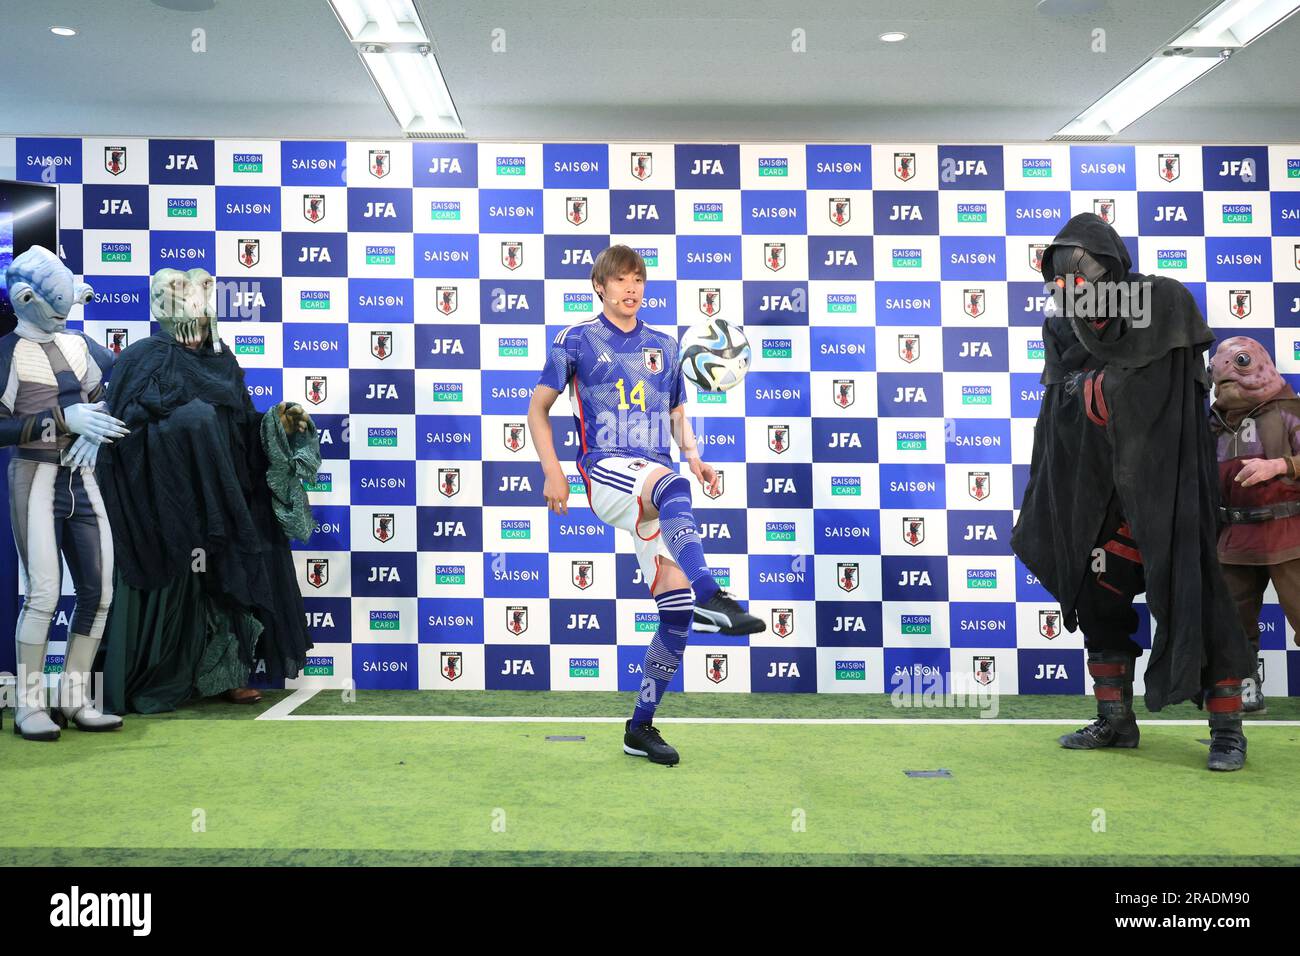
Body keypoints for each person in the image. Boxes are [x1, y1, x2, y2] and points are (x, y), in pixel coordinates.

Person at [1011, 213, 1254, 772]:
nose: (1069, 289)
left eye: (1079, 272)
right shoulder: (1062, 321)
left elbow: (1165, 389)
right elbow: (1059, 400)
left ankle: (1227, 731)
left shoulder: (1162, 300)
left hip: (1167, 485)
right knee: (1097, 596)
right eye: (1059, 280)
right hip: (1099, 489)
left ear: (1110, 268)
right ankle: (1115, 721)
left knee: (1198, 600)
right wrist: (1085, 390)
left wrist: (1103, 386)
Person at [527, 244, 764, 766]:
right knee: (672, 488)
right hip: (607, 470)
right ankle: (712, 593)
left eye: (638, 280)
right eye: (621, 280)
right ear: (601, 286)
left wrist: (695, 456)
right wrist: (553, 471)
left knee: (674, 615)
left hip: (652, 479)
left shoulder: (664, 344)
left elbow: (676, 410)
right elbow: (537, 409)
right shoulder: (575, 340)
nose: (631, 288)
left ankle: (640, 727)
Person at [97, 267, 314, 713]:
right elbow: (119, 436)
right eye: (185, 325)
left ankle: (228, 675)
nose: (194, 335)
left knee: (228, 577)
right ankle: (163, 675)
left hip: (225, 491)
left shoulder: (223, 361)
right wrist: (183, 430)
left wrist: (277, 423)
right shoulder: (142, 358)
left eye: (200, 324)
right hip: (165, 496)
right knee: (177, 579)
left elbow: (241, 425)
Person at [0, 246, 127, 740]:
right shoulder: (9, 352)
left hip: (83, 478)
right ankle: (28, 704)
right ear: (26, 298)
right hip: (35, 476)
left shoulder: (81, 345)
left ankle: (73, 696)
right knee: (44, 594)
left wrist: (94, 431)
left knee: (100, 592)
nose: (68, 307)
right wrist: (60, 420)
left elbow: (118, 390)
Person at [1208, 336, 1300, 715]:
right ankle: (1244, 683)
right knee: (1232, 620)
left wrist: (1279, 466)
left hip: (1289, 531)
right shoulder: (1211, 424)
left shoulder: (1288, 411)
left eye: (1241, 361)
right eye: (1218, 368)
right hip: (1234, 534)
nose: (1226, 372)